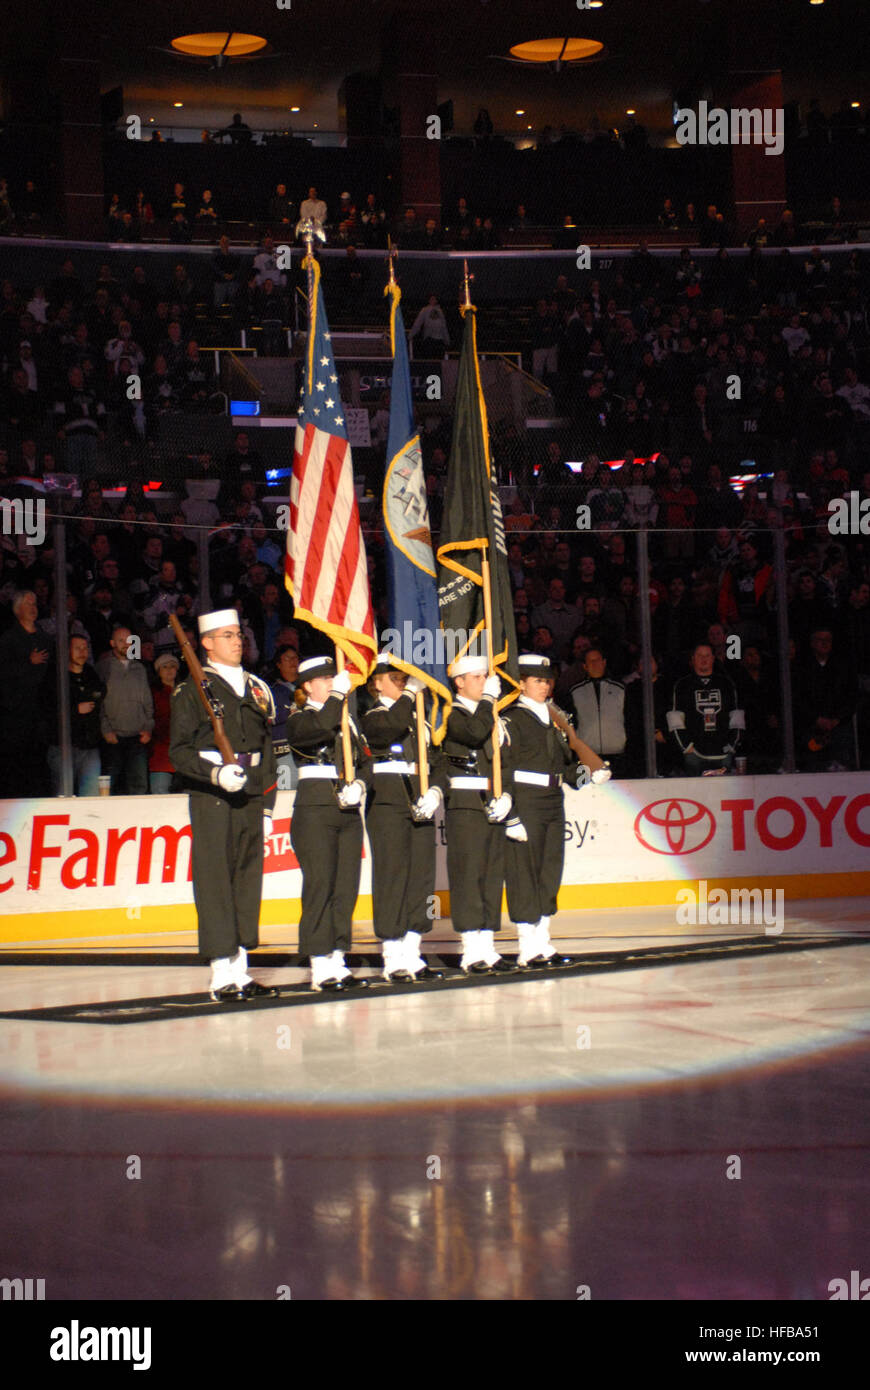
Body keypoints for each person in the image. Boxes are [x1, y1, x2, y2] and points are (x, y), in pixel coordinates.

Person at [168, 609, 278, 1002]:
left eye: (239, 634)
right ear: (207, 643)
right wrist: (214, 774)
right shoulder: (190, 690)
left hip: (249, 793)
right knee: (216, 880)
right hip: (213, 796)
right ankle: (220, 974)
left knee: (247, 879)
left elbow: (267, 751)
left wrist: (267, 806)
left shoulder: (256, 688)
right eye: (228, 635)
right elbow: (178, 752)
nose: (238, 641)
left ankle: (242, 970)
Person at [502, 655, 603, 968]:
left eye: (547, 681)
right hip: (526, 798)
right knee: (524, 872)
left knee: (549, 870)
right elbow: (503, 767)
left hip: (552, 798)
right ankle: (526, 945)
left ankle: (543, 941)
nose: (544, 686)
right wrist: (511, 812)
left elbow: (563, 765)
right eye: (537, 680)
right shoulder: (510, 718)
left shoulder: (556, 717)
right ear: (520, 683)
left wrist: (588, 773)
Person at [287, 656, 372, 992]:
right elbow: (319, 729)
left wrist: (361, 784)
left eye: (332, 679)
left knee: (344, 887)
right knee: (320, 885)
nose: (331, 684)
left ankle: (337, 956)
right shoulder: (298, 718)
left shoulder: (348, 720)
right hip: (316, 808)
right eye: (323, 680)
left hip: (348, 809)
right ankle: (319, 962)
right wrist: (338, 697)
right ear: (307, 686)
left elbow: (365, 760)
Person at [362, 655, 448, 982]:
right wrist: (411, 694)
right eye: (394, 677)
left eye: (404, 677)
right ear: (376, 683)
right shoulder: (373, 715)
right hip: (387, 803)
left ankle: (413, 950)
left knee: (422, 878)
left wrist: (436, 791)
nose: (401, 681)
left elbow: (438, 761)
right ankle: (392, 953)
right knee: (392, 876)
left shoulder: (421, 720)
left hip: (420, 801)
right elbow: (391, 729)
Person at [441, 654, 515, 974]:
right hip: (466, 802)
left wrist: (506, 796)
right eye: (477, 677)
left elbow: (505, 759)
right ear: (459, 682)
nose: (485, 682)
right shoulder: (451, 712)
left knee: (490, 874)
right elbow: (471, 733)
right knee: (468, 874)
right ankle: (470, 948)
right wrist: (488, 701)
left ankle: (487, 945)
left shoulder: (491, 715)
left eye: (486, 676)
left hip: (491, 800)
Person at [0, 590, 51, 797]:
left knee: (39, 761)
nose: (33, 607)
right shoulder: (8, 639)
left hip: (39, 712)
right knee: (16, 763)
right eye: (29, 603)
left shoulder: (45, 638)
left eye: (35, 603)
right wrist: (27, 663)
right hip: (15, 714)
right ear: (17, 608)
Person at [667, 642, 744, 775]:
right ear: (693, 659)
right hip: (694, 755)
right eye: (700, 655)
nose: (704, 659)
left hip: (723, 753)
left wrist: (732, 745)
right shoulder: (682, 685)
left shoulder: (726, 683)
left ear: (713, 658)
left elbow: (737, 717)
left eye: (707, 655)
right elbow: (675, 719)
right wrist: (687, 747)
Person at [97, 624, 155, 794]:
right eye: (120, 640)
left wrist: (148, 727)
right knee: (110, 788)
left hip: (137, 737)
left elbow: (148, 702)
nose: (125, 644)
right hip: (113, 737)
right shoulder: (103, 667)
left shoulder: (140, 668)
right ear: (112, 643)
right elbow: (98, 701)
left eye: (129, 640)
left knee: (139, 787)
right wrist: (106, 729)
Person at [46, 634, 106, 796]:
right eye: (77, 648)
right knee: (63, 796)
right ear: (66, 651)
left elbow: (100, 701)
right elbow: (46, 710)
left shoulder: (91, 674)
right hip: (62, 747)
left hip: (89, 746)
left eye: (85, 648)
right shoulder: (55, 676)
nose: (82, 652)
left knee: (90, 797)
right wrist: (75, 710)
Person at [569, 648, 627, 776]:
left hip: (617, 755)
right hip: (586, 755)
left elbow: (629, 720)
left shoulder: (620, 688)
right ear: (585, 666)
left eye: (598, 660)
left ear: (604, 662)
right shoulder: (575, 691)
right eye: (591, 661)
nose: (595, 664)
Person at [149, 653, 179, 793]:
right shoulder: (153, 693)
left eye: (172, 666)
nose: (169, 670)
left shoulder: (184, 692)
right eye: (164, 667)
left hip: (182, 754)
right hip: (160, 755)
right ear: (158, 671)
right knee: (160, 797)